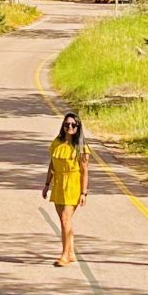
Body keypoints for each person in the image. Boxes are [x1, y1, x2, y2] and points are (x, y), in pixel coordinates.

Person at [43, 112, 90, 267]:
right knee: (65, 221)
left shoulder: (81, 147)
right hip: (58, 183)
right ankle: (71, 253)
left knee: (65, 219)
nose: (69, 127)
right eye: (66, 124)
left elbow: (84, 172)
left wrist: (84, 193)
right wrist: (46, 184)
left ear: (78, 127)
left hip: (73, 185)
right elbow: (52, 164)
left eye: (73, 125)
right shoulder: (57, 143)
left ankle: (64, 255)